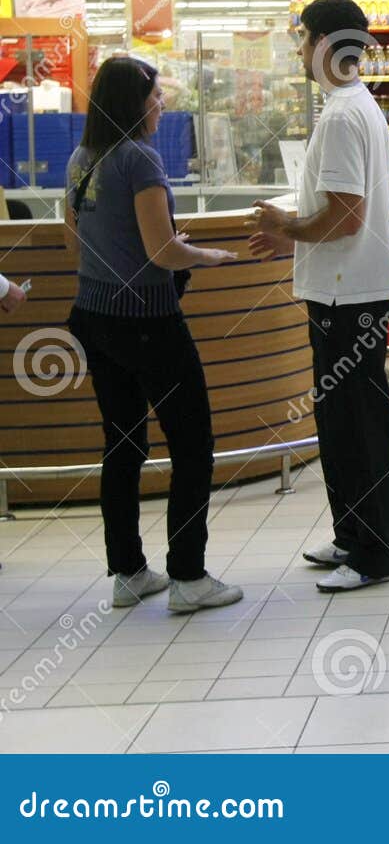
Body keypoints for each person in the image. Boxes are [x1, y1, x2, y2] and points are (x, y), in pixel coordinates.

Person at [64, 57, 242, 613]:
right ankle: (188, 576)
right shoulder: (140, 160)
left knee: (123, 445)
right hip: (149, 323)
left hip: (95, 318)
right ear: (133, 102)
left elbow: (76, 243)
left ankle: (129, 572)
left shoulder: (82, 157)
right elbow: (163, 251)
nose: (161, 103)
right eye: (155, 94)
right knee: (193, 445)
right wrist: (212, 254)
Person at [251, 0, 389, 594]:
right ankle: (350, 534)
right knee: (339, 420)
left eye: (304, 38)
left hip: (349, 296)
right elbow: (337, 208)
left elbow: (344, 216)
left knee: (358, 423)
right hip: (345, 290)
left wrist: (288, 227)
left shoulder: (342, 116)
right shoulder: (352, 106)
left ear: (325, 44)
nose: (300, 51)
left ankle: (375, 553)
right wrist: (293, 225)